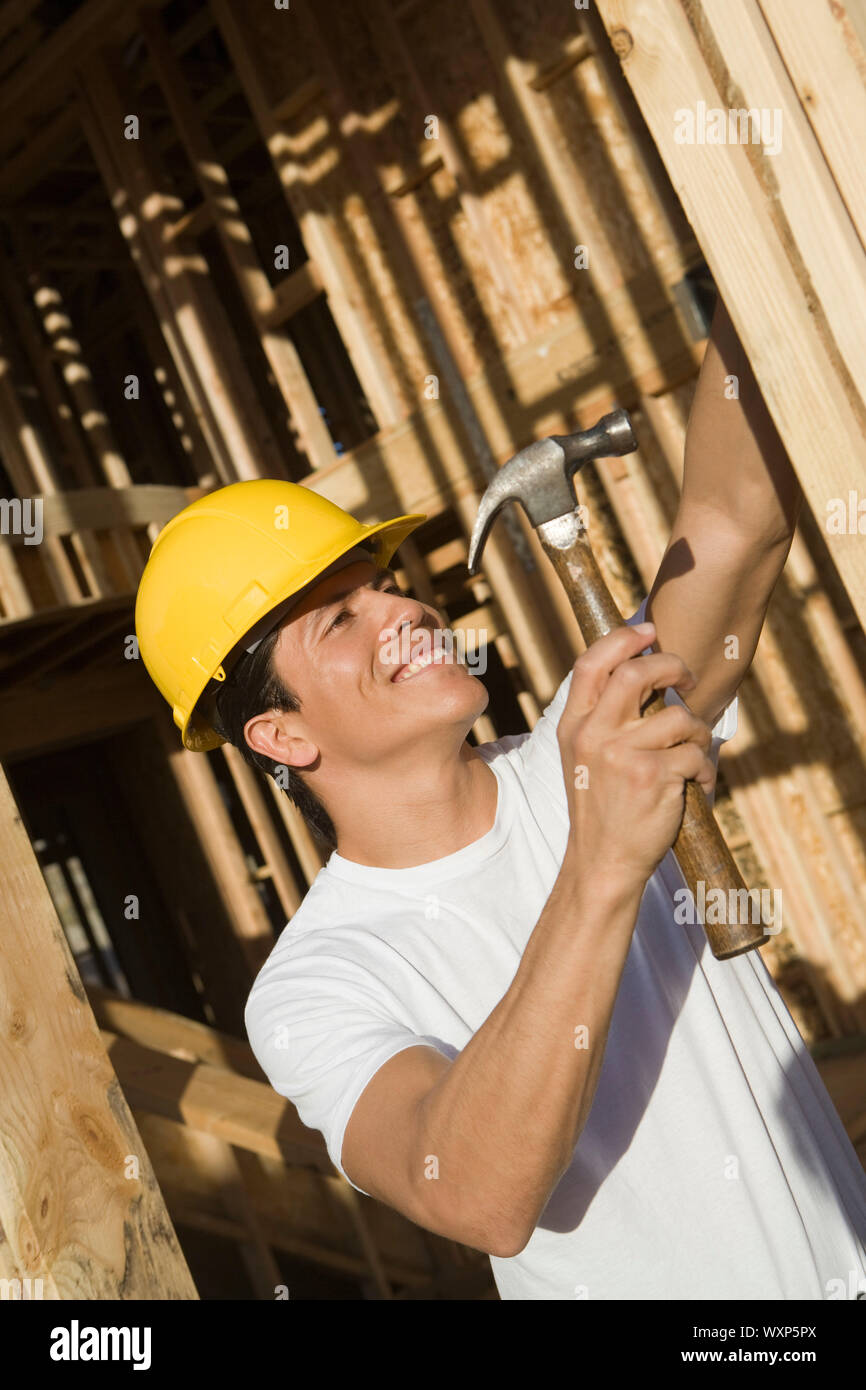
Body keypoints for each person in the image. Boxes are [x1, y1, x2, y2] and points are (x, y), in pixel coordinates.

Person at [136, 299, 866, 1299]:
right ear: (281, 735)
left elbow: (734, 525)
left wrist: (764, 230)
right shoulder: (319, 983)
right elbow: (475, 1192)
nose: (402, 608)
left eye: (382, 581)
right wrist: (602, 864)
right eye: (341, 619)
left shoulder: (592, 745)